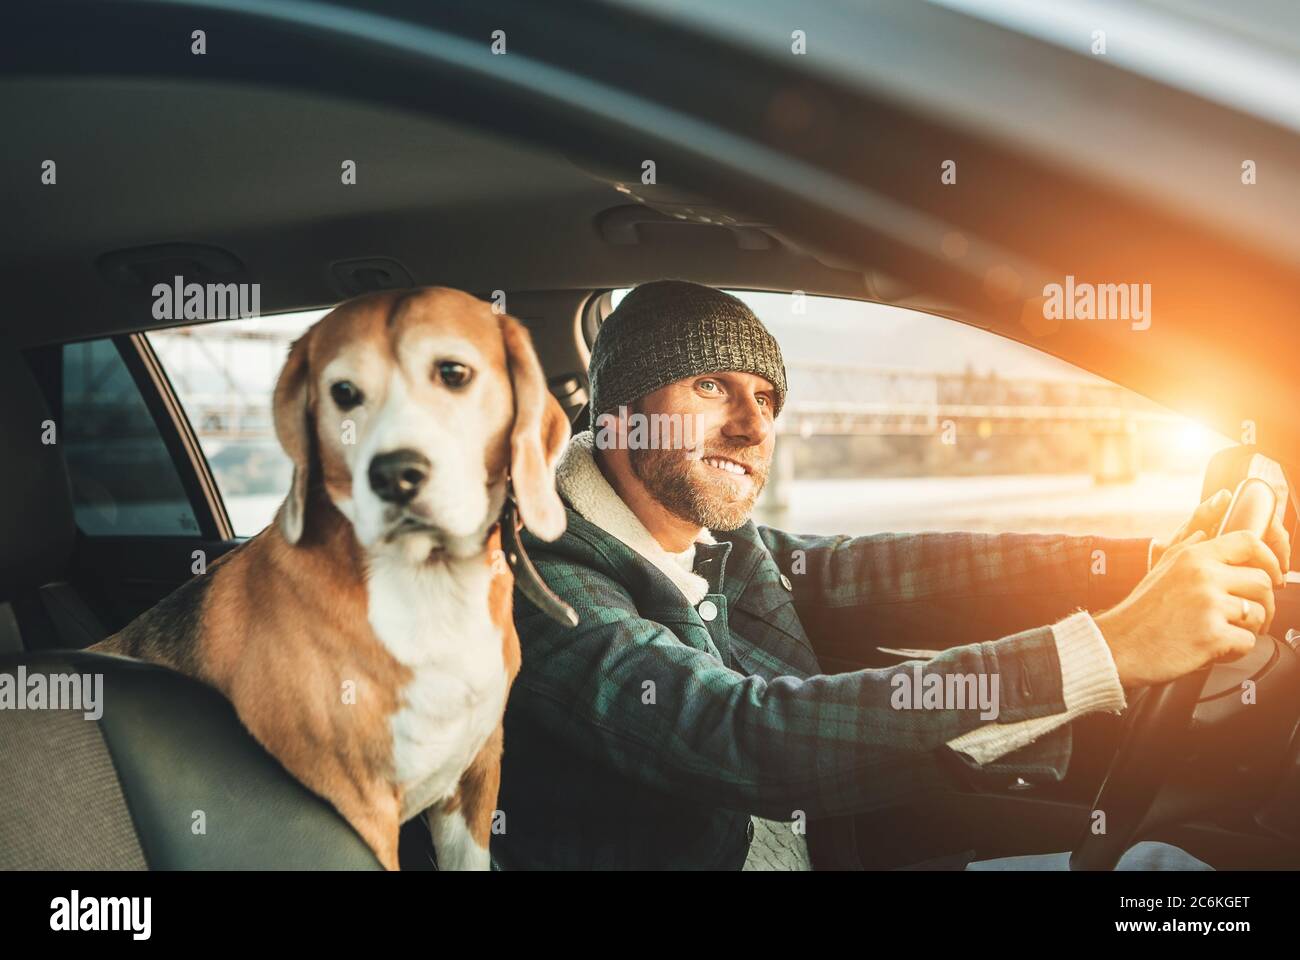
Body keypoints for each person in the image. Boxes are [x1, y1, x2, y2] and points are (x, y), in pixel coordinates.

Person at [495, 280, 1289, 870]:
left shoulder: (716, 542)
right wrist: (1105, 652)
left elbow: (897, 568)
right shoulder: (547, 587)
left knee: (1177, 880)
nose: (753, 427)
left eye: (767, 398)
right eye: (711, 385)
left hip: (833, 848)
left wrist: (1138, 563)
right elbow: (743, 736)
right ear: (620, 410)